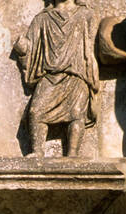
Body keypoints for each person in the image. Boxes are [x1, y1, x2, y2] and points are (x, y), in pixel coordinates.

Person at [13, 0, 101, 157]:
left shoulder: (86, 15)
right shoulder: (42, 19)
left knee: (76, 114)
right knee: (35, 112)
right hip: (50, 75)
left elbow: (94, 47)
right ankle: (37, 151)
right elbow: (31, 50)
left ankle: (72, 153)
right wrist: (23, 49)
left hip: (76, 74)